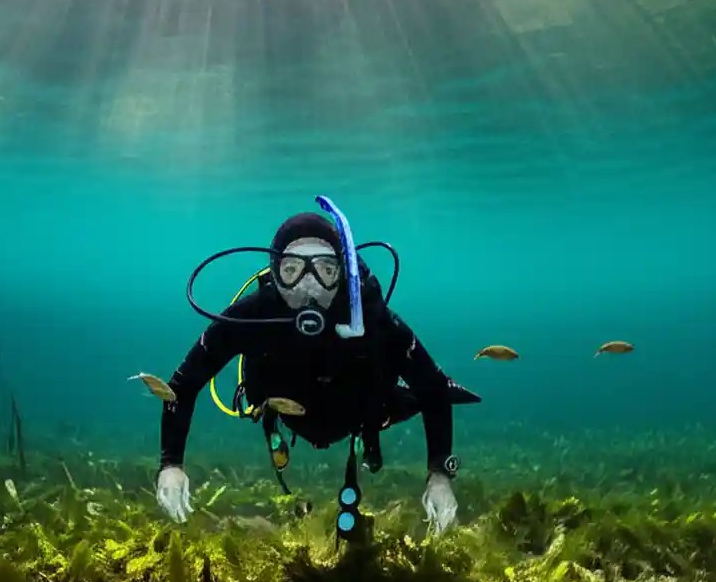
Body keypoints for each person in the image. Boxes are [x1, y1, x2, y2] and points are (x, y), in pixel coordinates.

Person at [155, 206, 481, 537]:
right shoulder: (251, 316)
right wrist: (170, 465)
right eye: (292, 269)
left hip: (365, 412)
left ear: (342, 274)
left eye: (325, 270)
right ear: (274, 272)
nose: (308, 286)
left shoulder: (372, 318)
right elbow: (182, 384)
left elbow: (433, 388)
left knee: (421, 395)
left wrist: (440, 474)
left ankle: (389, 415)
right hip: (286, 409)